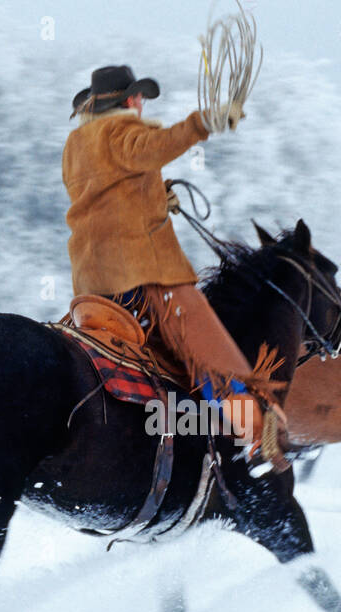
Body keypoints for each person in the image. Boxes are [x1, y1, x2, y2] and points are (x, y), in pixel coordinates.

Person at [62, 64, 288, 473]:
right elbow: (155, 147)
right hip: (142, 274)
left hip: (91, 281)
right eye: (140, 98)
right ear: (131, 100)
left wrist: (152, 199)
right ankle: (255, 445)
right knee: (213, 355)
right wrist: (208, 120)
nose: (142, 104)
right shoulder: (122, 132)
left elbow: (103, 194)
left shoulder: (77, 144)